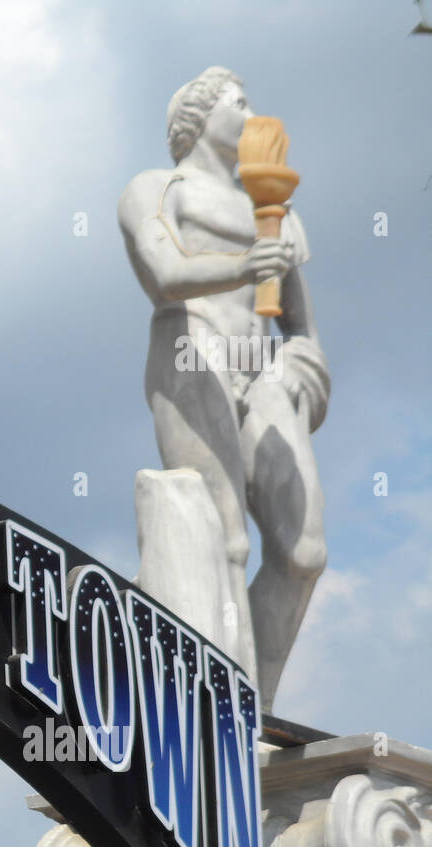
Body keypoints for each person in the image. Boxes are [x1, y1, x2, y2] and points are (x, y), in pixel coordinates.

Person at [118, 66, 329, 709]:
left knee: (304, 551)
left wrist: (301, 366)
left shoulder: (277, 214)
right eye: (240, 102)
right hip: (191, 350)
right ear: (200, 116)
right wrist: (242, 265)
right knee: (223, 540)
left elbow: (304, 331)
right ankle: (222, 712)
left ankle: (253, 707)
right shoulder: (157, 188)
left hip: (257, 366)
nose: (254, 113)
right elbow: (162, 273)